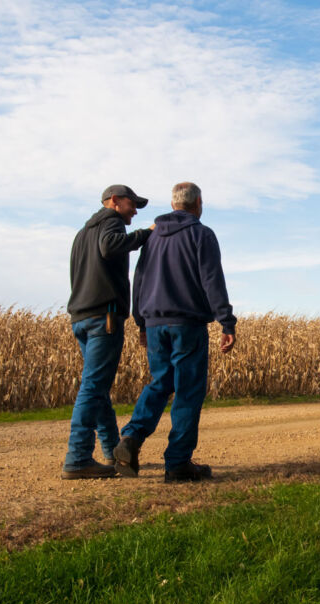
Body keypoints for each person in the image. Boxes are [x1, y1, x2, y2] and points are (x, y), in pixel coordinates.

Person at [110, 181, 236, 482]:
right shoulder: (201, 234)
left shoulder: (152, 236)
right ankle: (178, 463)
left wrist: (141, 321)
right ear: (198, 204)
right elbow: (211, 279)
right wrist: (226, 321)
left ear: (172, 204)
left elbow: (139, 279)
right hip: (187, 322)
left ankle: (130, 437)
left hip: (154, 323)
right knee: (189, 391)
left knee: (161, 382)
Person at [61, 184, 152, 479]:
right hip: (105, 317)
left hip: (81, 316)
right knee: (92, 388)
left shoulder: (82, 233)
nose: (134, 211)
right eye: (131, 204)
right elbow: (111, 246)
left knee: (97, 388)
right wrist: (147, 234)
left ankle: (114, 452)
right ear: (114, 201)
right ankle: (77, 459)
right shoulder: (109, 222)